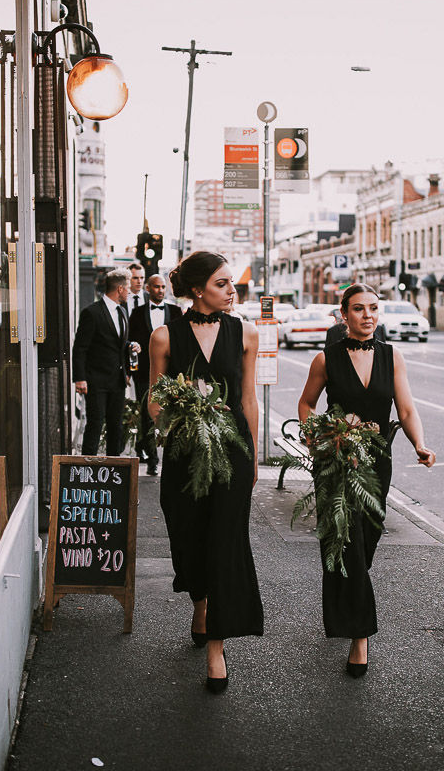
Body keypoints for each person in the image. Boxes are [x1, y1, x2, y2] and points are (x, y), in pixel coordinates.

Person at [295, 283, 436, 679]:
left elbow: (406, 409)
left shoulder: (393, 357)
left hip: (377, 462)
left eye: (374, 308)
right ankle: (360, 637)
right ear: (344, 314)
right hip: (337, 463)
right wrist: (317, 435)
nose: (368, 315)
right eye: (358, 309)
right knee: (347, 541)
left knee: (366, 542)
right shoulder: (326, 359)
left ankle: (343, 611)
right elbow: (307, 403)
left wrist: (420, 444)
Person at [148, 251, 263, 693]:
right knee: (189, 537)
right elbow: (155, 400)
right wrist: (180, 418)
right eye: (222, 283)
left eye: (232, 282)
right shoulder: (164, 337)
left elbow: (248, 399)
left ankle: (217, 646)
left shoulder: (246, 332)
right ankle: (200, 601)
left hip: (233, 453)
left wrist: (252, 455)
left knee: (226, 543)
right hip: (184, 454)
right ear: (198, 290)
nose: (232, 291)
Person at [73, 268, 131, 456]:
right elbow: (80, 347)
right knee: (95, 424)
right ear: (120, 289)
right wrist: (80, 378)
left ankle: (115, 467)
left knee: (116, 426)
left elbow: (115, 340)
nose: (130, 292)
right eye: (128, 287)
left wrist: (131, 345)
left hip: (118, 380)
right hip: (96, 380)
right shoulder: (91, 312)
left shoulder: (122, 312)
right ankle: (86, 468)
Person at [128, 274, 181, 475]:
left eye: (163, 287)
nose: (160, 290)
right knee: (148, 418)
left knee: (171, 415)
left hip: (171, 374)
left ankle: (171, 458)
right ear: (148, 289)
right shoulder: (137, 313)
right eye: (156, 287)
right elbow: (130, 341)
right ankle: (152, 460)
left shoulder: (176, 312)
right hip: (144, 373)